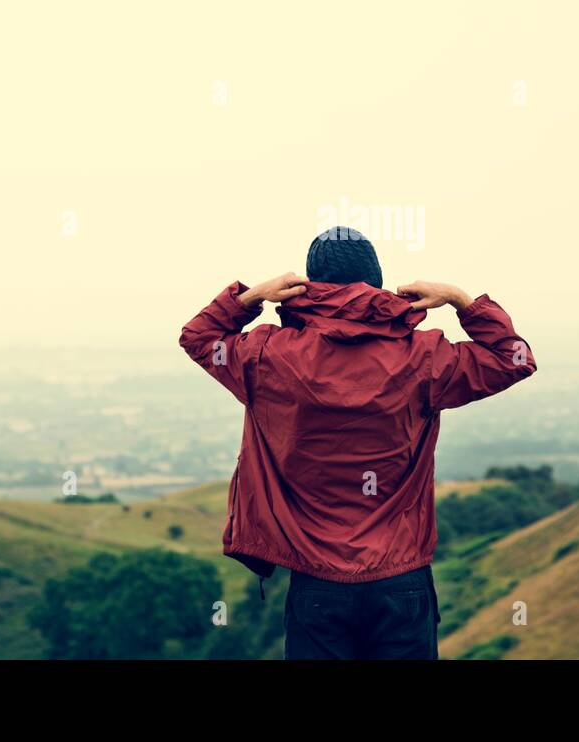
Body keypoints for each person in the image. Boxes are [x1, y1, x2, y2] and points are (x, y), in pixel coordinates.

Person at [178, 226, 537, 658]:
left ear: (305, 286)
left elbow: (200, 337)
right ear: (377, 281)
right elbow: (512, 358)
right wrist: (461, 300)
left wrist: (251, 297)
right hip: (402, 580)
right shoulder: (423, 357)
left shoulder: (267, 356)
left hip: (317, 584)